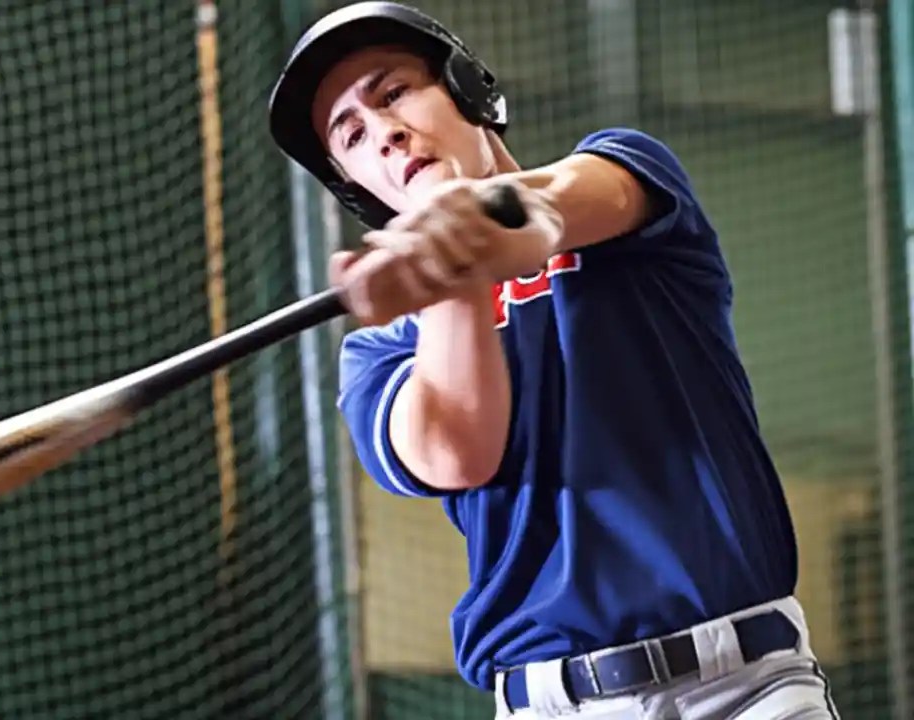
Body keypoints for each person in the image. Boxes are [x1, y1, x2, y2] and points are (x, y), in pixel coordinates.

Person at [267, 3, 839, 718]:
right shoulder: (379, 352)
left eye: (394, 92)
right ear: (354, 185)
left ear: (469, 89)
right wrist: (445, 277)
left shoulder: (625, 175)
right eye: (350, 134)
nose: (385, 132)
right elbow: (458, 454)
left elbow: (551, 211)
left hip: (746, 690)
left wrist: (462, 227)